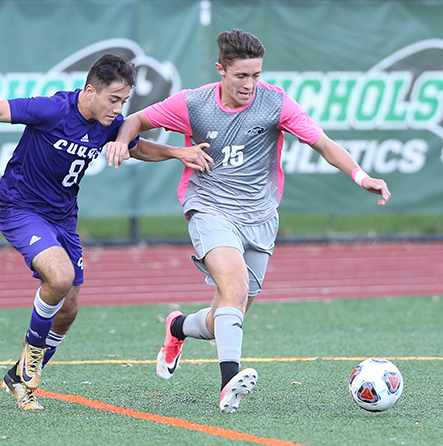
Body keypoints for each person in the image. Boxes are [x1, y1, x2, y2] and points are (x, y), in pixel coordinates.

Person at [106, 29, 391, 414]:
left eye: (256, 75)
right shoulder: (194, 104)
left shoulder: (275, 103)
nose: (250, 84)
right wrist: (123, 140)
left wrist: (362, 176)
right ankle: (229, 385)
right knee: (235, 287)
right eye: (241, 76)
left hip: (260, 217)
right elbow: (136, 120)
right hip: (209, 208)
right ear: (221, 70)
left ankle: (176, 328)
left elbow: (323, 143)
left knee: (229, 310)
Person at [0, 53, 207, 410]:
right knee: (60, 277)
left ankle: (19, 376)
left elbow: (137, 148)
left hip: (63, 218)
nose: (119, 109)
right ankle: (32, 353)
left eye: (124, 101)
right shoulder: (52, 110)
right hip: (21, 209)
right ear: (90, 91)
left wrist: (176, 152)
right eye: (113, 99)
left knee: (69, 308)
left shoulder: (108, 123)